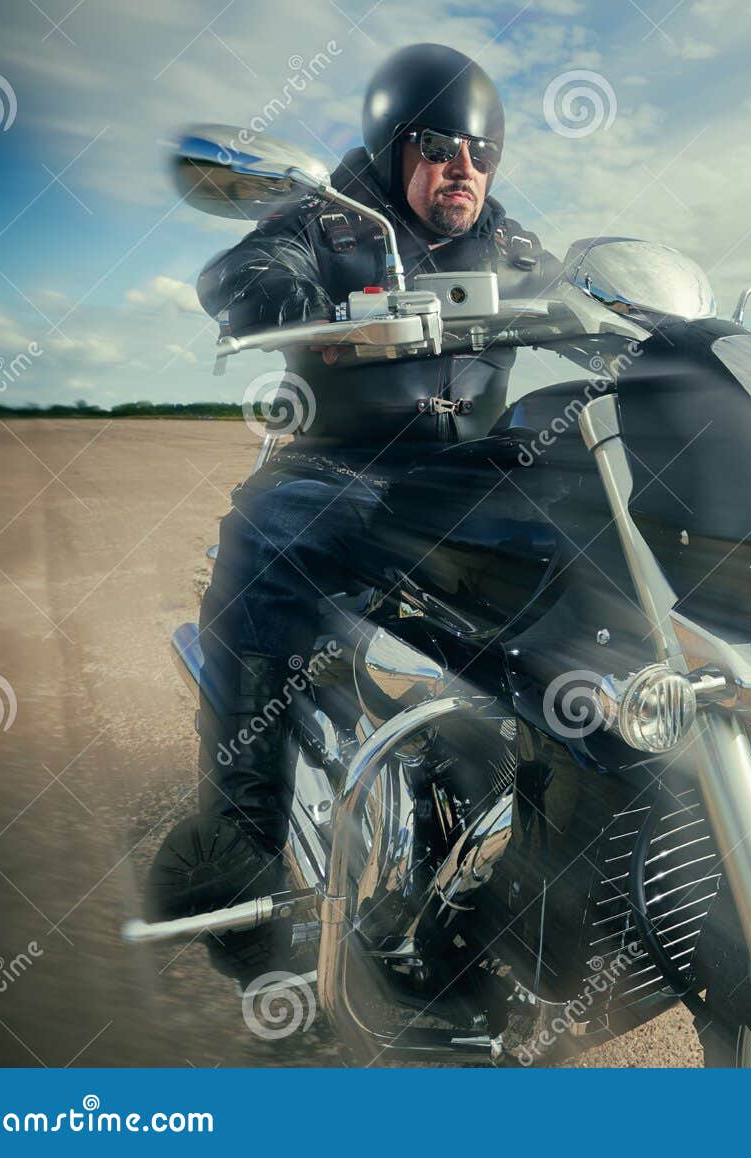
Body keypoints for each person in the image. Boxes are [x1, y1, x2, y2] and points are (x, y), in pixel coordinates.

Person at [146, 43, 549, 978]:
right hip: (342, 466)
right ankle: (241, 862)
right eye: (444, 145)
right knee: (269, 546)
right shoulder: (329, 217)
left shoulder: (512, 241)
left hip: (475, 475)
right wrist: (287, 293)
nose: (466, 169)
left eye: (484, 153)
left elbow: (583, 290)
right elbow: (237, 276)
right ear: (396, 142)